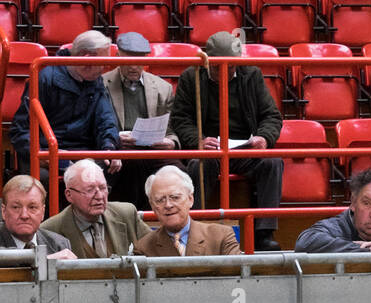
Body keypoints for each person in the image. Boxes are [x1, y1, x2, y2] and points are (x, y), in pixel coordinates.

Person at [169, 31, 283, 251]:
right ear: (208, 62)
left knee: (272, 162)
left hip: (243, 147)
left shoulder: (252, 75)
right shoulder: (191, 76)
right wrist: (198, 141)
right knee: (198, 165)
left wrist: (264, 138)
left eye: (232, 66)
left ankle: (263, 234)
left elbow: (271, 115)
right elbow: (180, 119)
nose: (228, 71)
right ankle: (197, 229)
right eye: (220, 67)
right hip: (209, 150)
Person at [9, 30, 121, 194]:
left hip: (81, 151)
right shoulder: (44, 78)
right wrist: (42, 153)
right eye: (102, 61)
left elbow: (106, 121)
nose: (104, 68)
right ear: (86, 59)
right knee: (42, 179)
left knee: (113, 167)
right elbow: (21, 129)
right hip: (45, 152)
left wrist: (109, 147)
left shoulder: (96, 82)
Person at [101, 31, 179, 207]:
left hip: (154, 149)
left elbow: (172, 129)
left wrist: (171, 142)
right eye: (128, 61)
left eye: (139, 61)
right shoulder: (102, 84)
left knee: (180, 173)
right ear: (117, 56)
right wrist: (115, 140)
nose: (134, 67)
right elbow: (99, 124)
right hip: (121, 149)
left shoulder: (162, 88)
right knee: (132, 168)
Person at [40, 159, 148, 258]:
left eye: (103, 188)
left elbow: (156, 247)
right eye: (90, 190)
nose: (100, 196)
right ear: (69, 195)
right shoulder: (50, 230)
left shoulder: (127, 214)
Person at [132, 165, 241, 256]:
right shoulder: (143, 248)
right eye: (160, 200)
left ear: (190, 199)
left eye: (175, 197)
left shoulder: (221, 236)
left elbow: (237, 279)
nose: (168, 205)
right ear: (152, 206)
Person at [0, 175, 76, 257]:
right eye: (16, 207)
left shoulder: (59, 243)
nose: (24, 215)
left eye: (32, 207)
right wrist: (42, 260)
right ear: (3, 211)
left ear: (43, 212)